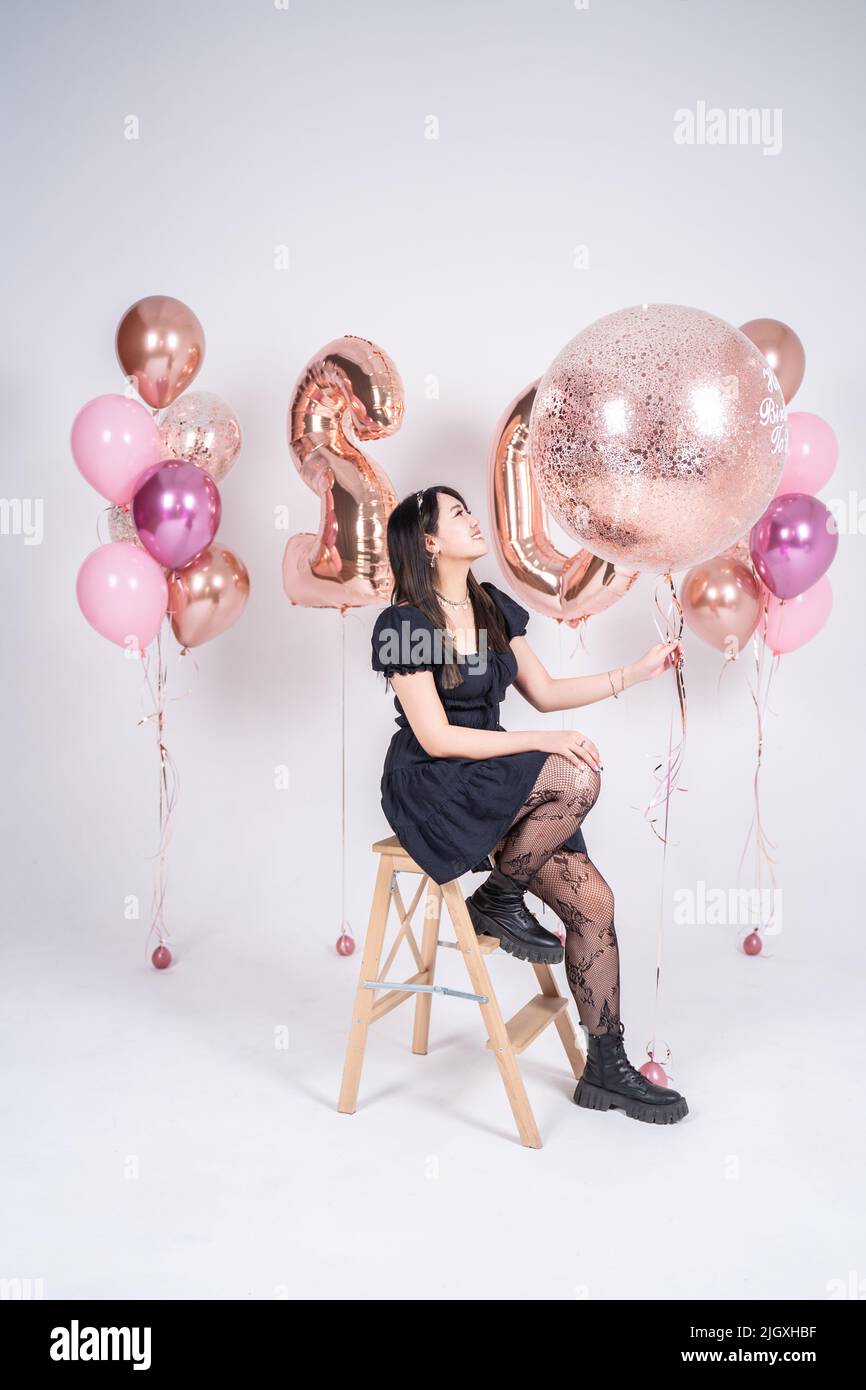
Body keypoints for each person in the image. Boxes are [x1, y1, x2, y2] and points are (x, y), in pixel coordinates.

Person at [371, 485, 688, 1125]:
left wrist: (636, 672)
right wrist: (545, 744)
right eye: (456, 514)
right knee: (573, 776)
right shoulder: (404, 624)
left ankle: (606, 1066)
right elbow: (436, 736)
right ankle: (499, 898)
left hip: (496, 775)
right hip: (435, 782)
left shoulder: (489, 606)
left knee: (595, 902)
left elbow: (542, 692)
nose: (472, 519)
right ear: (429, 542)